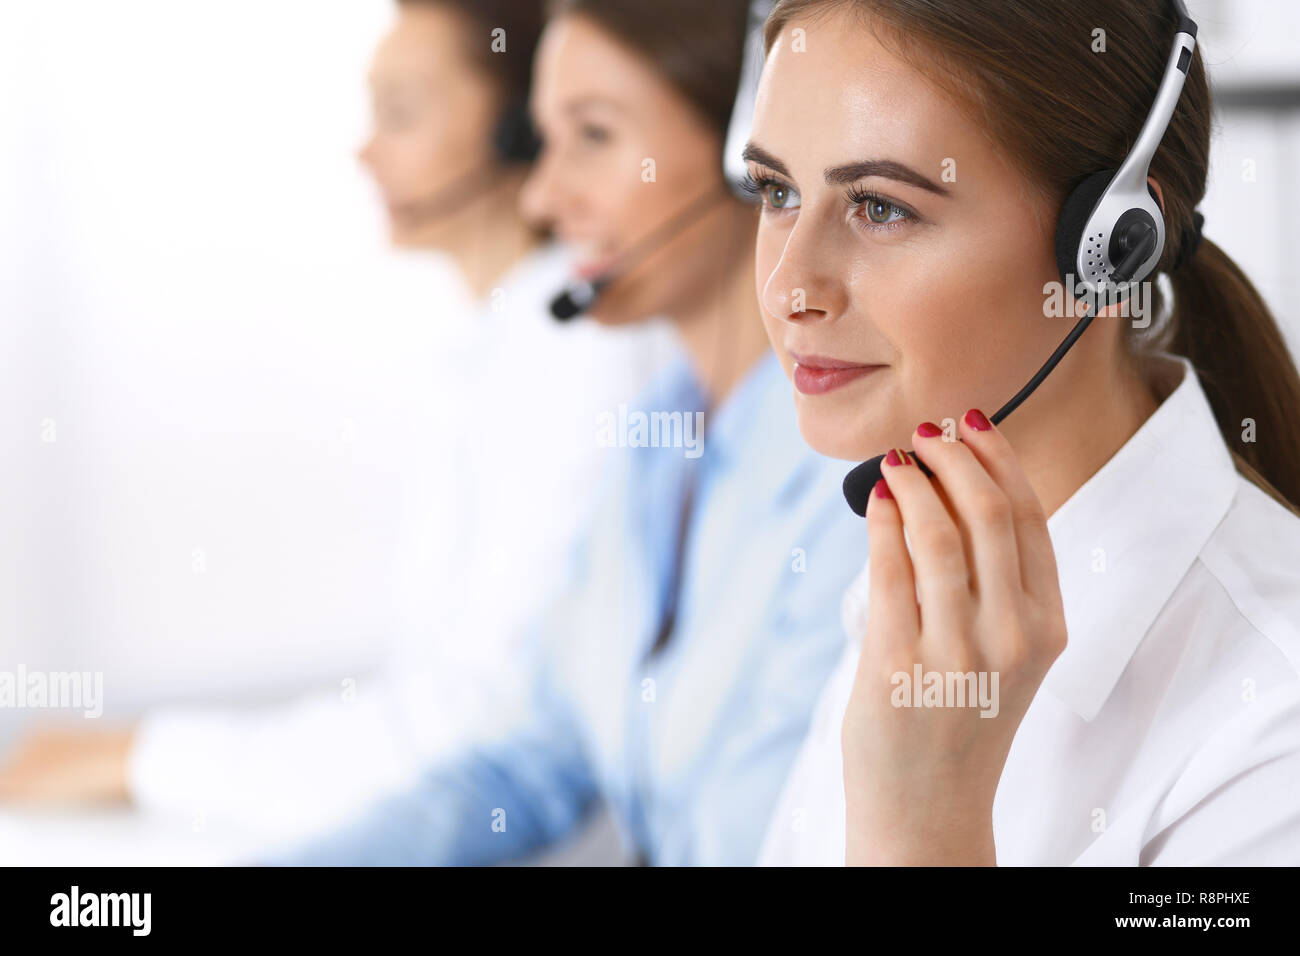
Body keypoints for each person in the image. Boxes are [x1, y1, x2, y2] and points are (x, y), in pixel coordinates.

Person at [0, 0, 673, 841]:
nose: (365, 148)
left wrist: (144, 759)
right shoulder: (497, 343)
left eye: (402, 113)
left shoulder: (579, 355)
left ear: (516, 133)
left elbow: (477, 719)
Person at [271, 0, 870, 866]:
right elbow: (532, 761)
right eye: (545, 142)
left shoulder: (846, 476)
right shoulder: (658, 436)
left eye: (594, 136)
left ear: (749, 153)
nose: (546, 196)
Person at [745, 0, 1300, 865]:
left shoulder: (1274, 723)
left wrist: (922, 825)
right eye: (775, 192)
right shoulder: (919, 579)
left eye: (879, 208)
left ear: (1112, 245)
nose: (788, 289)